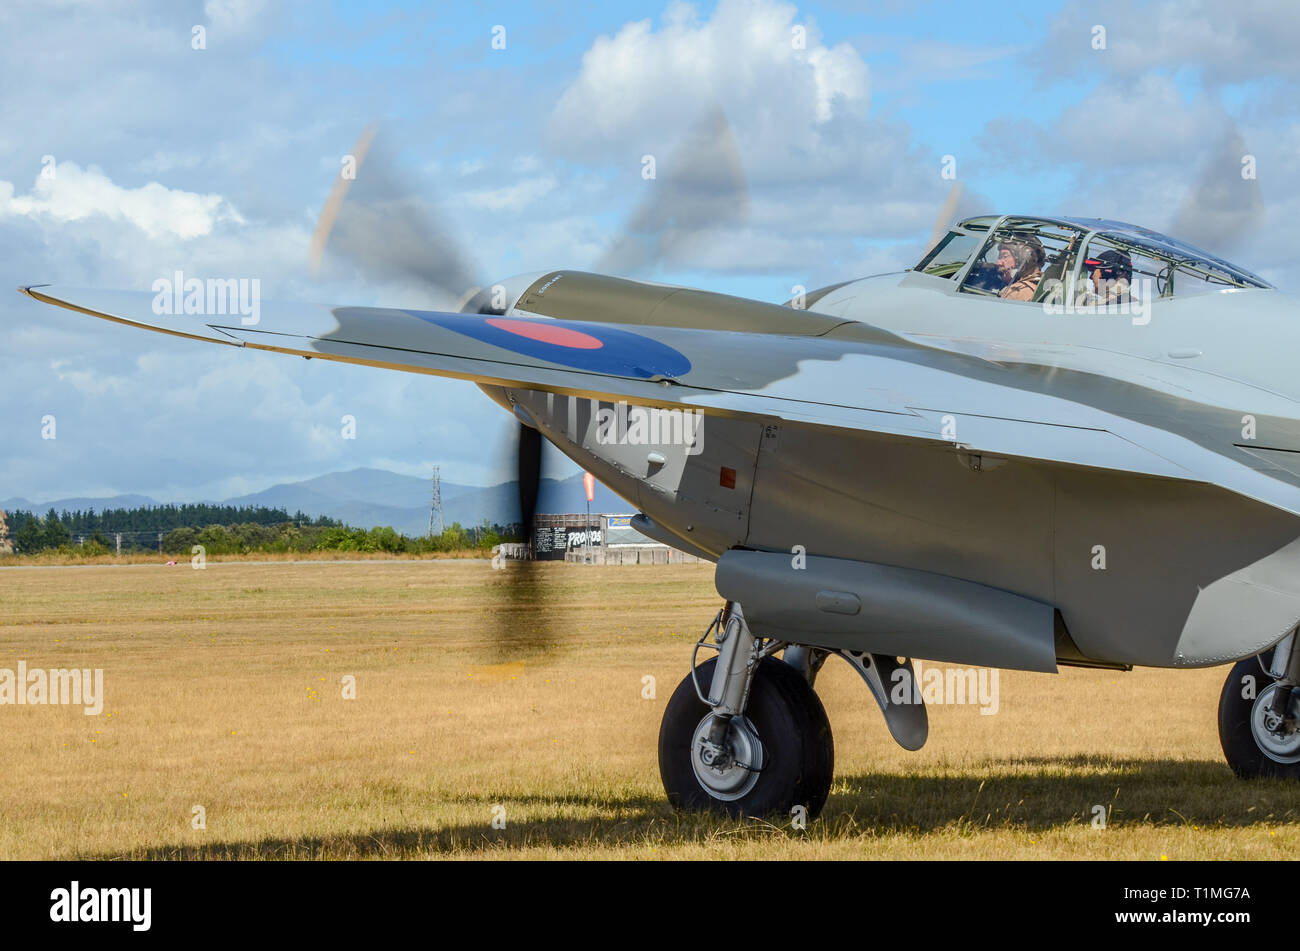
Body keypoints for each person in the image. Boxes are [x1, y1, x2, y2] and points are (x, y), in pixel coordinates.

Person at [996, 234, 1045, 301]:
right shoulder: (1044, 288)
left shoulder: (1014, 292)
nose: (999, 263)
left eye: (1005, 256)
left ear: (1027, 258)